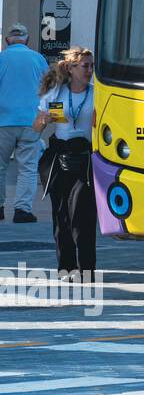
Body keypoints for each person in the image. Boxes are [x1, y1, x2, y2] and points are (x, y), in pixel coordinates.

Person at [33, 46, 96, 280]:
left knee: (83, 215)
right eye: (85, 66)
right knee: (61, 216)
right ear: (71, 68)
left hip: (86, 159)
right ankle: (66, 269)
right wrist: (44, 120)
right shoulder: (56, 93)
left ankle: (87, 271)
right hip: (59, 158)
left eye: (91, 65)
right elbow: (36, 127)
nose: (89, 70)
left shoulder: (96, 93)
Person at [0, 22, 48, 223]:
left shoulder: (1, 59)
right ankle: (22, 210)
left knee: (0, 167)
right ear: (27, 40)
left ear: (6, 40)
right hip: (32, 122)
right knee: (28, 167)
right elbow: (49, 88)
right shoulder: (38, 59)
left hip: (3, 122)